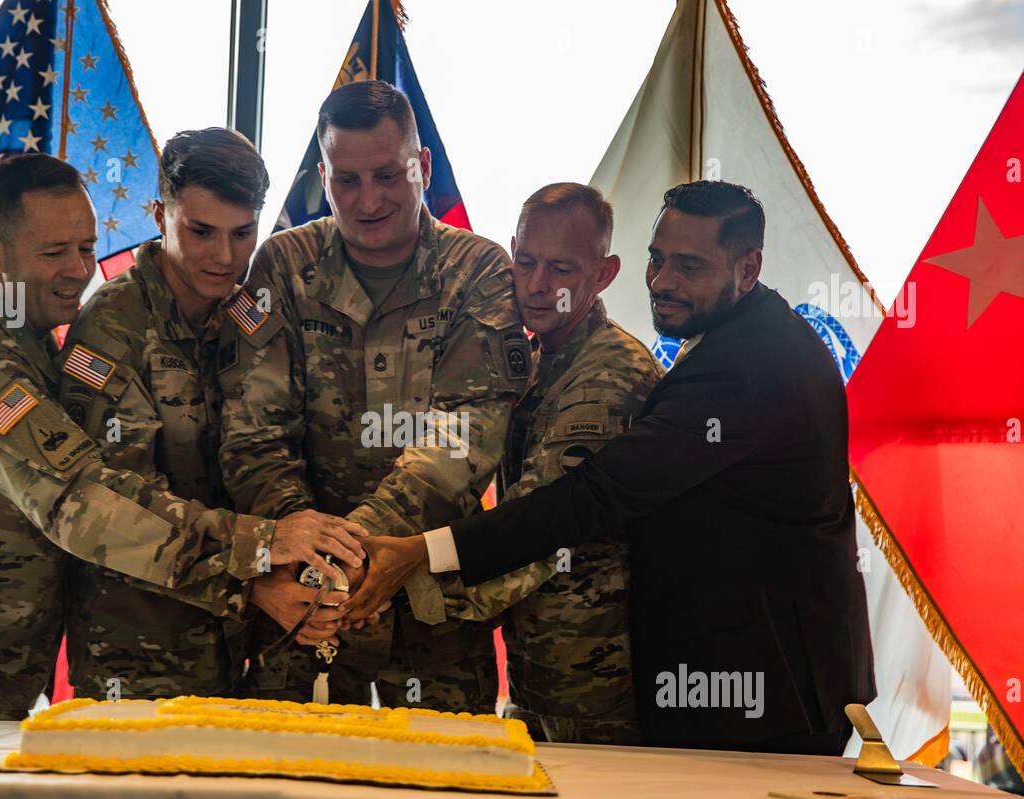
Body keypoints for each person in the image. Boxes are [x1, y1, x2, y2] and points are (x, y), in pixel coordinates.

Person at [347, 180, 876, 755]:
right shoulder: (736, 337)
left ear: (747, 269)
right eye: (658, 259)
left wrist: (413, 565)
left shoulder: (739, 366)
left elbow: (585, 500)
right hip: (733, 681)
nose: (663, 282)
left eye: (690, 266)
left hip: (760, 693)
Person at [0, 154, 365, 719]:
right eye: (54, 253)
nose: (78, 270)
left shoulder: (26, 341)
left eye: (86, 248)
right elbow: (84, 503)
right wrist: (259, 549)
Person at [218, 80, 532, 711]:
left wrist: (346, 552)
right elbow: (254, 431)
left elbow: (465, 436)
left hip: (430, 617)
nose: (368, 201)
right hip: (299, 614)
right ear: (321, 176)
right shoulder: (282, 267)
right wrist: (306, 557)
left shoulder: (480, 272)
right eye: (347, 180)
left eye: (388, 175)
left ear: (423, 166)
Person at [56, 129, 357, 700]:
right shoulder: (114, 327)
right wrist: (254, 576)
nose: (225, 257)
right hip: (141, 651)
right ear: (159, 213)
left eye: (243, 234)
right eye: (201, 232)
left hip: (240, 642)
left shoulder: (250, 314)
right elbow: (116, 509)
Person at [417, 183, 660, 744]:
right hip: (539, 665)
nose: (535, 286)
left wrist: (414, 597)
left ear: (603, 274)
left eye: (560, 270)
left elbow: (542, 525)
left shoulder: (610, 373)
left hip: (594, 679)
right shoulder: (532, 358)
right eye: (524, 262)